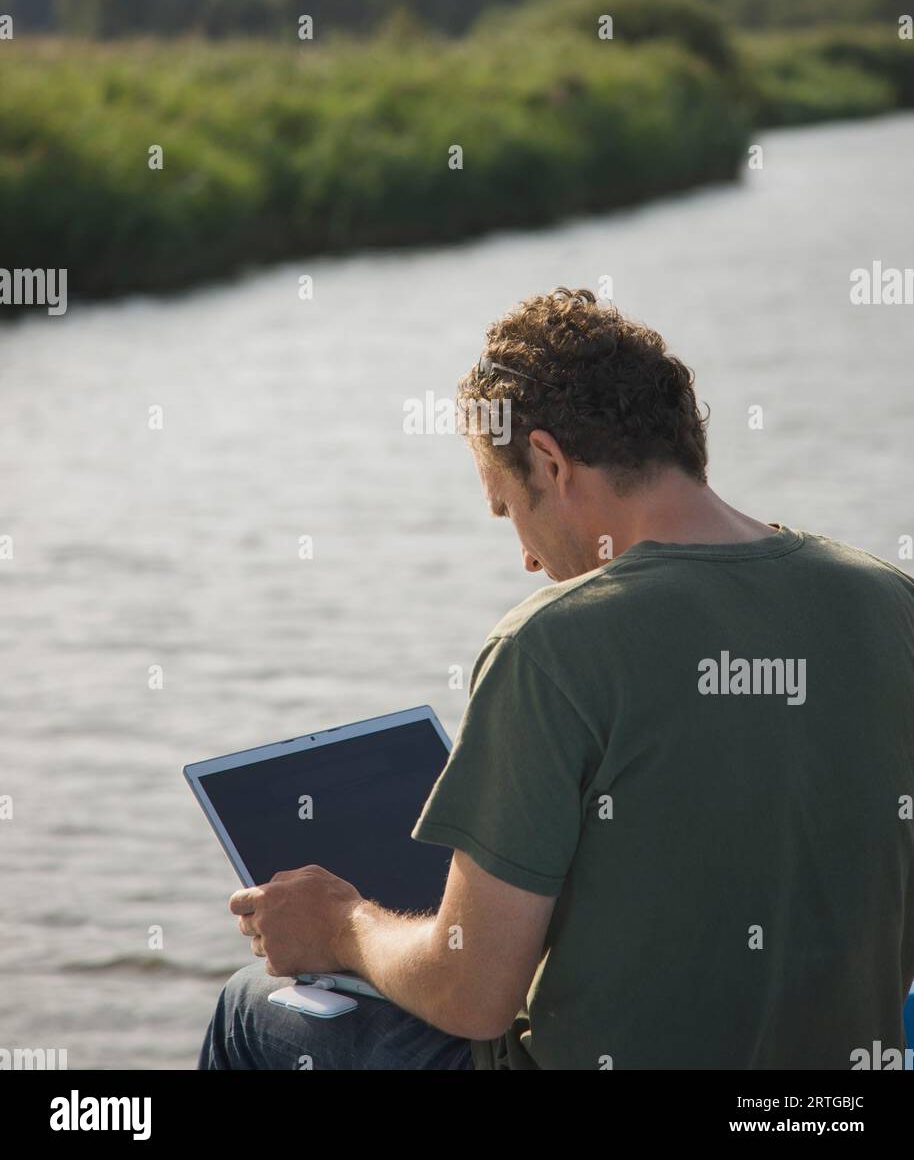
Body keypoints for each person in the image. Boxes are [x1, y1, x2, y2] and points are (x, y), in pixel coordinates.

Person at [199, 287, 914, 1070]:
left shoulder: (551, 643)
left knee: (249, 1005)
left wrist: (340, 925)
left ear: (548, 461)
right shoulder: (889, 598)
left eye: (507, 510)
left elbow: (472, 996)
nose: (530, 561)